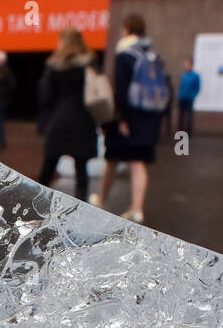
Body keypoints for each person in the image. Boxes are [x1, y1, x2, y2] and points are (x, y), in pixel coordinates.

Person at [90, 13, 168, 224]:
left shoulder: (125, 54)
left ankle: (101, 199)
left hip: (127, 118)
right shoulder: (153, 55)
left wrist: (123, 120)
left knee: (112, 158)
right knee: (138, 162)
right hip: (148, 118)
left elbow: (121, 91)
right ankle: (137, 208)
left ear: (127, 29)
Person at [36, 28, 98, 202]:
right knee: (81, 169)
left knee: (49, 165)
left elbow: (46, 97)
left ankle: (37, 203)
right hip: (83, 119)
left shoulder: (54, 65)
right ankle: (81, 208)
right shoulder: (89, 63)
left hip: (61, 119)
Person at [177, 57, 201, 137]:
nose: (186, 65)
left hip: (189, 99)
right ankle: (180, 132)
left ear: (191, 64)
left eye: (187, 64)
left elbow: (197, 88)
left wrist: (192, 96)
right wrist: (179, 95)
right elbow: (181, 86)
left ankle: (189, 133)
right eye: (185, 64)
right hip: (182, 98)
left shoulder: (195, 75)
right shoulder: (184, 74)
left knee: (189, 116)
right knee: (181, 116)